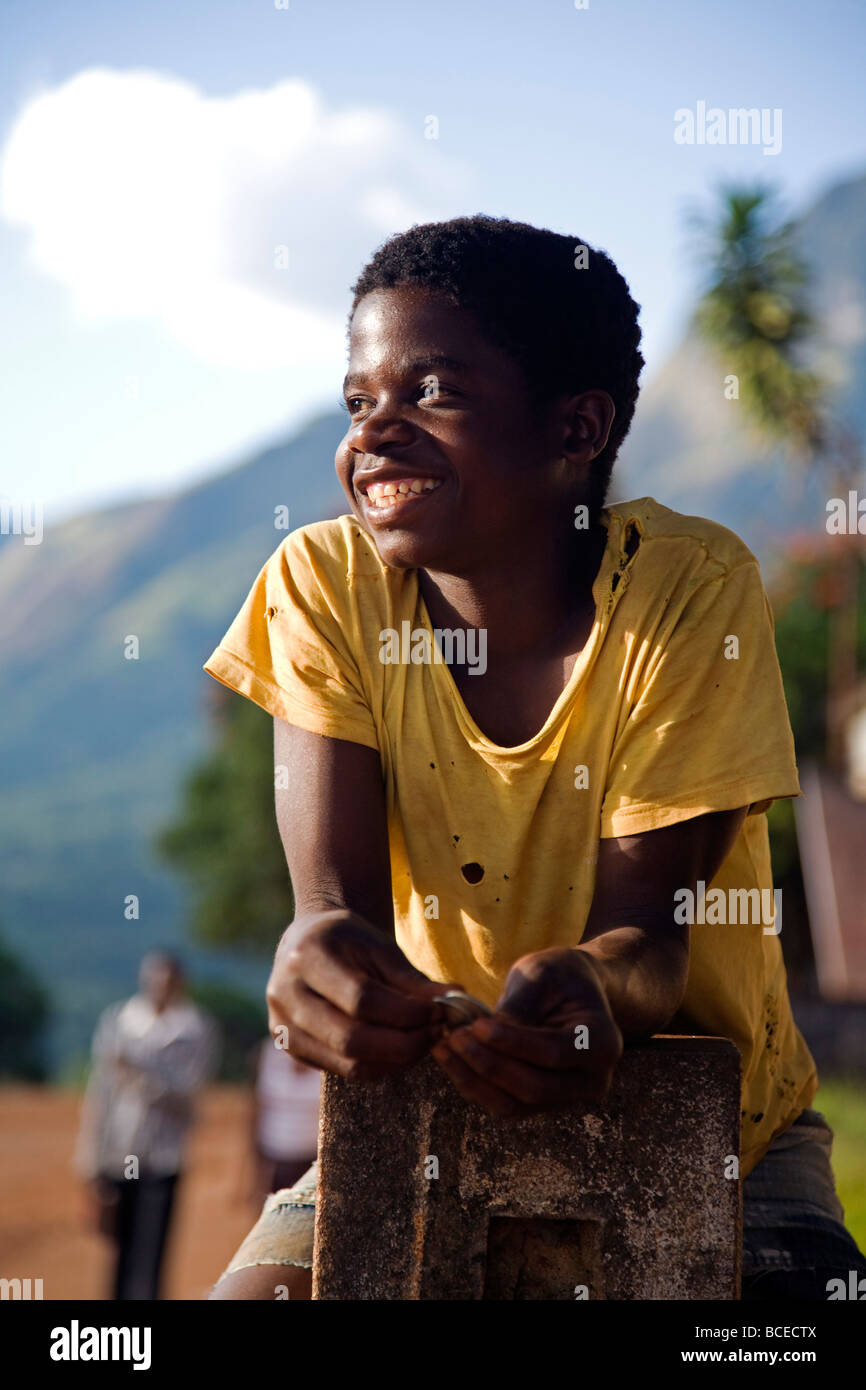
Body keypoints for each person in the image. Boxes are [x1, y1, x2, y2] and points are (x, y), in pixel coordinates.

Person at [203, 214, 866, 1301]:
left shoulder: (688, 592)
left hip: (726, 1139)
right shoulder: (324, 587)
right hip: (424, 1112)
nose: (376, 434)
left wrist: (592, 982)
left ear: (575, 428)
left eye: (433, 393)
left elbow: (649, 940)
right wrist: (316, 961)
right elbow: (333, 911)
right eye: (359, 401)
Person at [76, 950, 218, 1300]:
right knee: (119, 1251)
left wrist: (137, 1077)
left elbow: (189, 1094)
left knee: (152, 1253)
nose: (160, 986)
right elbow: (101, 1095)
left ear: (179, 983)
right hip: (120, 1154)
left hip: (164, 1158)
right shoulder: (118, 1020)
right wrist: (90, 1161)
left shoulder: (194, 1029)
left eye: (167, 979)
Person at [242, 1038, 321, 1206]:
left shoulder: (330, 1054)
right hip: (275, 1164)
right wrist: (252, 1174)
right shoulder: (270, 1052)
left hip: (315, 1166)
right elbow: (256, 1111)